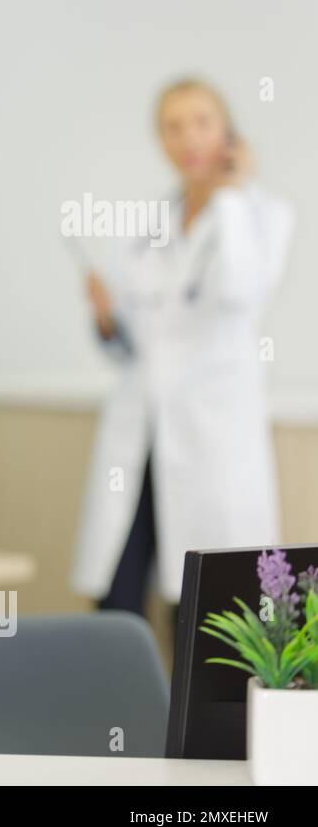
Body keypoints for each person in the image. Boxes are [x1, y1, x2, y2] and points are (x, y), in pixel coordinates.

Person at [74, 78, 293, 616]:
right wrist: (107, 320)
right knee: (117, 591)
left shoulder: (264, 217)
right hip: (141, 431)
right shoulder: (145, 229)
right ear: (161, 140)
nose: (188, 137)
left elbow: (242, 292)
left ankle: (189, 705)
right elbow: (134, 346)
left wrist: (234, 196)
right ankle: (112, 701)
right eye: (173, 127)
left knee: (204, 602)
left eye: (201, 122)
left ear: (228, 132)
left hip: (210, 437)